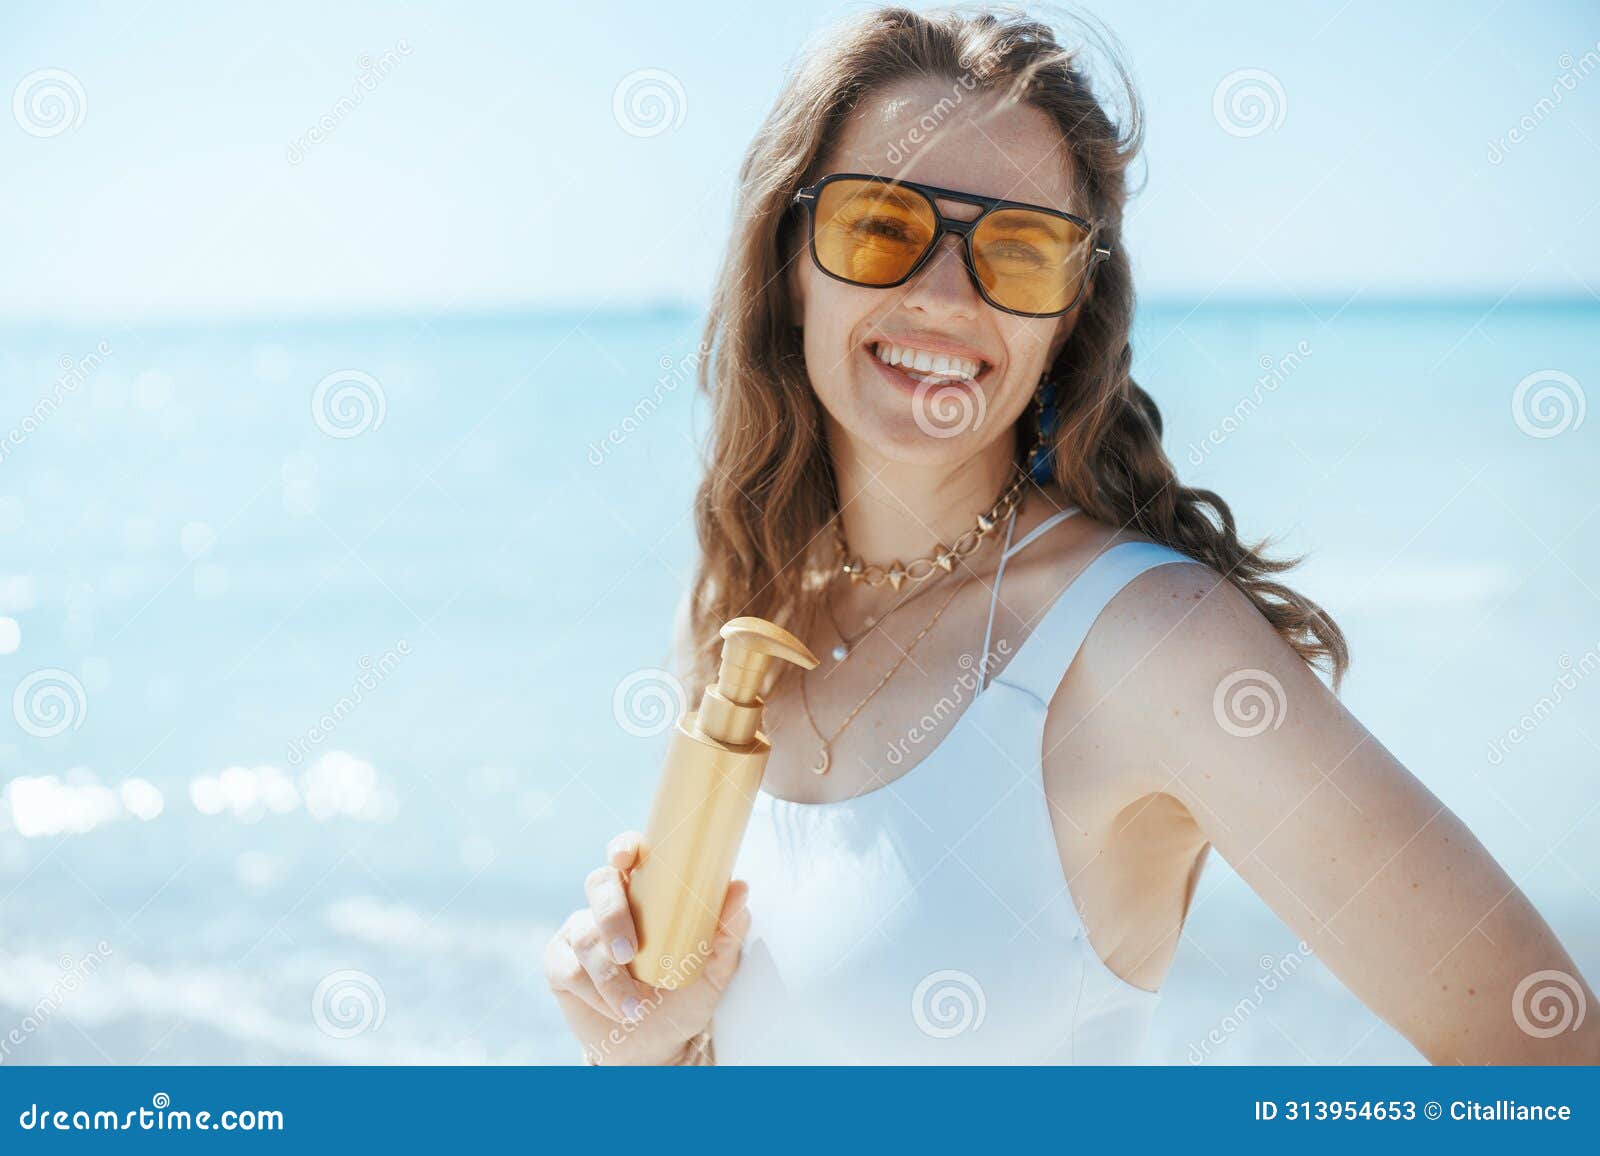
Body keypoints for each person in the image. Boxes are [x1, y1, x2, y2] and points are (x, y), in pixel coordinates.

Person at [545, 4, 1598, 1065]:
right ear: (791, 257)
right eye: (881, 226)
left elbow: (1548, 1060)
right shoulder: (745, 610)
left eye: (1020, 251)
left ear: (1070, 313)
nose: (945, 294)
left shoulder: (1154, 645)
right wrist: (643, 1048)